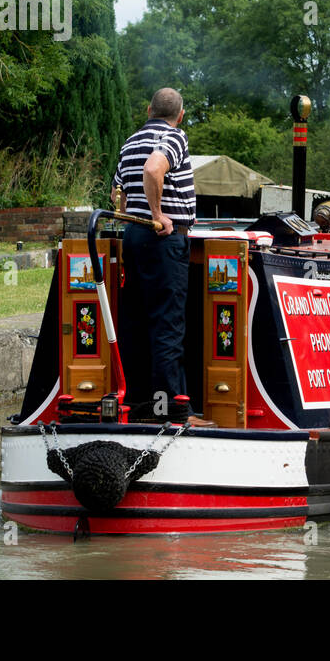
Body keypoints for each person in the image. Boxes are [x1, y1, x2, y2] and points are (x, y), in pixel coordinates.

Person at [111, 88, 210, 424]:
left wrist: (135, 218)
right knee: (168, 325)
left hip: (134, 238)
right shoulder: (175, 136)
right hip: (163, 240)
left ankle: (139, 406)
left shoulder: (130, 142)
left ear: (148, 109)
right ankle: (173, 410)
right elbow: (155, 169)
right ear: (180, 115)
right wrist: (158, 214)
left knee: (136, 322)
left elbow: (117, 194)